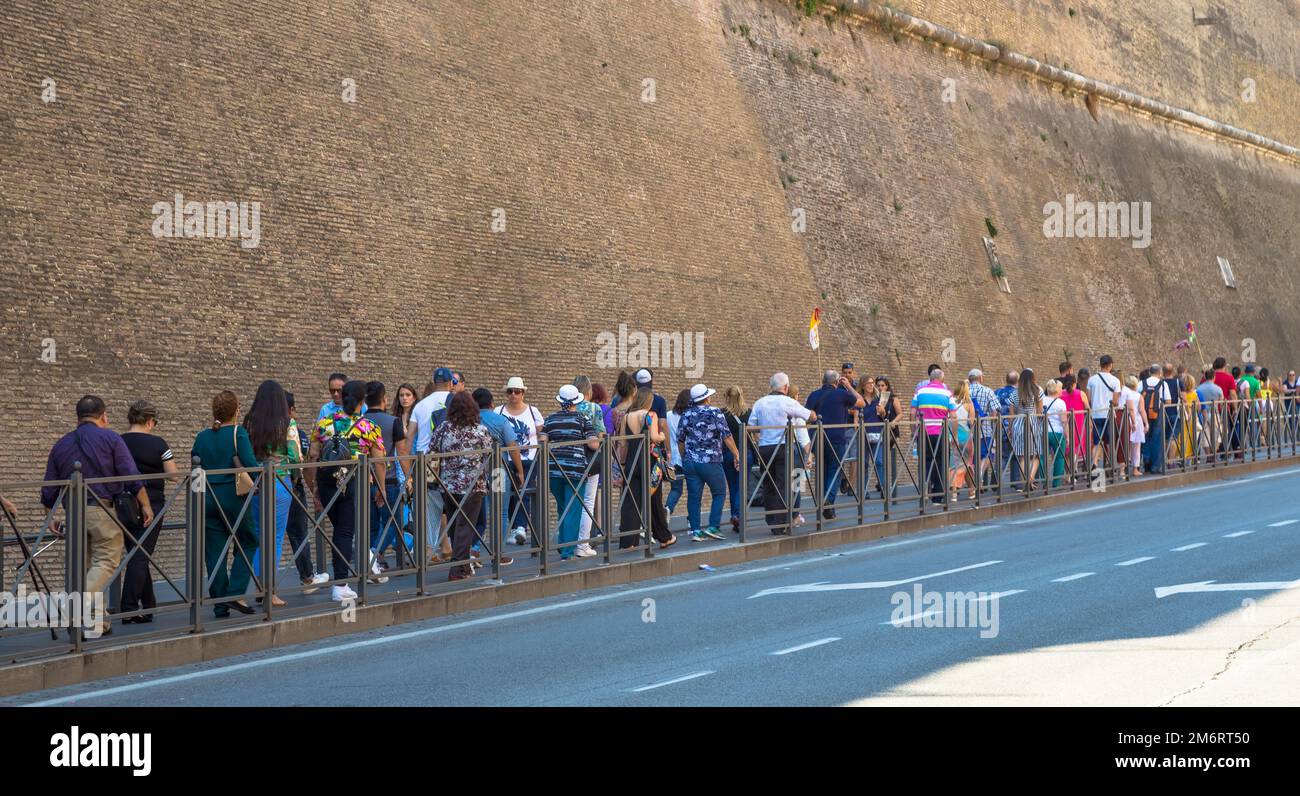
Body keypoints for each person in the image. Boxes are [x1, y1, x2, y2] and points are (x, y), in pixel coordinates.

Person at [305, 381, 386, 601]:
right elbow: (379, 462)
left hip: (326, 481)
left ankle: (341, 582)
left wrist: (313, 488)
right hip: (353, 482)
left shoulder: (323, 423)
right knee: (344, 532)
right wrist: (382, 489)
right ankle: (340, 586)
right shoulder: (368, 427)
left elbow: (312, 456)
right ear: (362, 401)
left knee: (339, 530)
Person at [191, 391, 258, 617]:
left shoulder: (202, 436)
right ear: (237, 410)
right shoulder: (238, 433)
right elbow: (250, 464)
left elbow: (195, 468)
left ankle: (220, 604)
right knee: (249, 541)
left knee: (215, 551)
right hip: (233, 497)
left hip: (207, 498)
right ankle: (235, 594)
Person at [118, 401, 177, 625]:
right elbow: (172, 475)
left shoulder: (119, 441)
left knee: (136, 552)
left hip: (123, 504)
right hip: (152, 503)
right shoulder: (158, 443)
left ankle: (149, 604)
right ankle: (129, 608)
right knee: (140, 555)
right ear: (151, 421)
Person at [245, 380, 301, 606]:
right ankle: (270, 591)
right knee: (275, 537)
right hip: (280, 480)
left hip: (256, 481)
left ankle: (259, 586)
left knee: (258, 535)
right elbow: (296, 456)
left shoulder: (250, 421)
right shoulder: (287, 422)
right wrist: (295, 478)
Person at [428, 392, 493, 580]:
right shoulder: (480, 430)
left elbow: (432, 450)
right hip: (473, 485)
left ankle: (463, 566)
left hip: (447, 484)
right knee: (466, 525)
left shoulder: (443, 429)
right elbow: (489, 456)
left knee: (455, 524)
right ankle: (457, 569)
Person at [747, 373, 816, 534]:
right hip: (783, 448)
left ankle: (771, 519)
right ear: (785, 387)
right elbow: (810, 416)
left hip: (765, 448)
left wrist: (760, 440)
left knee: (769, 484)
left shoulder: (759, 403)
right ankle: (780, 523)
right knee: (784, 485)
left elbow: (752, 426)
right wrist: (813, 415)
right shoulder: (788, 401)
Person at [541, 385, 602, 561]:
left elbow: (543, 440)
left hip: (554, 470)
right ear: (577, 401)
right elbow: (593, 445)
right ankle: (567, 552)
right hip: (575, 470)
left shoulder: (550, 419)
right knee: (573, 510)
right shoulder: (582, 419)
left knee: (562, 507)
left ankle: (562, 544)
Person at [676, 383, 740, 541]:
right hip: (711, 460)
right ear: (706, 398)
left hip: (690, 461)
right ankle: (713, 526)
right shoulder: (715, 412)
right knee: (719, 493)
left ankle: (696, 531)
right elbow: (727, 436)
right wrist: (737, 454)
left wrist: (684, 456)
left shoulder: (686, 414)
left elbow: (680, 439)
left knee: (694, 496)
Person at [617, 386, 675, 549]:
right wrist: (663, 436)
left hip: (631, 463)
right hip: (649, 463)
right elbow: (654, 437)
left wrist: (622, 465)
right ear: (648, 401)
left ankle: (628, 542)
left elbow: (622, 443)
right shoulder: (650, 415)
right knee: (654, 501)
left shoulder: (626, 417)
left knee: (631, 502)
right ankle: (664, 537)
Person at [805, 370, 865, 520]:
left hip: (817, 438)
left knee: (823, 471)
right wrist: (849, 386)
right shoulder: (841, 394)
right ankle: (828, 500)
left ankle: (828, 509)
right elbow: (861, 402)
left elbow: (807, 415)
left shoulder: (813, 395)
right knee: (836, 470)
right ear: (837, 382)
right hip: (836, 438)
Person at [284, 392, 329, 592]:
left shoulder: (256, 428)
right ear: (291, 410)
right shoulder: (294, 431)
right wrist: (313, 492)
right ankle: (308, 578)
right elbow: (299, 463)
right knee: (298, 532)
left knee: (265, 537)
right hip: (291, 485)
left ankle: (264, 586)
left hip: (261, 488)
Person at [363, 381, 407, 579]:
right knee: (394, 521)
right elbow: (402, 452)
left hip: (365, 481)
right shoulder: (393, 422)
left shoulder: (360, 421)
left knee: (372, 525)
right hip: (387, 480)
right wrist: (410, 477)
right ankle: (374, 552)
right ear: (384, 399)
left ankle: (372, 563)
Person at [471, 388, 519, 566]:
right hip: (498, 471)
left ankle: (473, 550)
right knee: (500, 512)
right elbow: (512, 446)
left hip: (477, 473)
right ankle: (499, 553)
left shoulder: (470, 421)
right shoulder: (500, 420)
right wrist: (519, 471)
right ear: (491, 404)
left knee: (476, 513)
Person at [496, 377, 545, 547]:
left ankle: (521, 527)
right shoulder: (499, 410)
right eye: (510, 391)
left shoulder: (533, 411)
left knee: (524, 492)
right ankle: (511, 528)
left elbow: (541, 433)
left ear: (523, 393)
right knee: (504, 495)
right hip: (504, 461)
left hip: (528, 459)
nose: (513, 395)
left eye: (517, 391)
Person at [912, 368, 957, 504]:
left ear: (930, 379)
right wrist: (953, 436)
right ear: (942, 379)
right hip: (940, 433)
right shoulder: (948, 394)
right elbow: (953, 417)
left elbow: (912, 413)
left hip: (924, 432)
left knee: (924, 462)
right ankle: (938, 496)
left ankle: (924, 493)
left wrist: (914, 432)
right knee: (941, 462)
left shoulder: (919, 392)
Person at [572, 375, 605, 556]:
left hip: (570, 460)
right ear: (588, 390)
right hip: (590, 458)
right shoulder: (594, 408)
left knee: (573, 500)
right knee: (588, 501)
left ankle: (569, 542)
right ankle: (582, 545)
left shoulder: (569, 406)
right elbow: (601, 433)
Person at [720, 386, 749, 531]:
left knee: (732, 486)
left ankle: (734, 514)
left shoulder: (721, 414)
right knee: (741, 486)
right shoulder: (747, 412)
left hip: (727, 453)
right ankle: (738, 515)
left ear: (727, 397)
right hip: (745, 453)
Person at [1011, 368, 1045, 490]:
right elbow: (1040, 411)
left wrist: (1010, 428)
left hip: (1018, 423)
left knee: (1022, 456)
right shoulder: (1038, 391)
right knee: (1036, 455)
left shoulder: (1015, 392)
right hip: (1033, 422)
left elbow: (1011, 413)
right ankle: (1030, 478)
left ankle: (1026, 482)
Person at [967, 369, 1000, 491]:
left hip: (966, 430)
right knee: (987, 455)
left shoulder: (964, 391)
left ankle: (973, 483)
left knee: (970, 457)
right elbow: (996, 410)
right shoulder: (987, 391)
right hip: (984, 429)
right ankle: (978, 478)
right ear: (980, 378)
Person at [1087, 356, 1122, 471]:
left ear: (1100, 364)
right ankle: (1110, 464)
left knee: (1098, 441)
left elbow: (1088, 398)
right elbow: (1116, 401)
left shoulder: (1092, 380)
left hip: (1096, 414)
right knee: (1110, 442)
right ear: (1111, 365)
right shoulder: (1115, 381)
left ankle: (1095, 462)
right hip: (1108, 415)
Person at [949, 379, 975, 498]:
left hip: (952, 435)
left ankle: (954, 493)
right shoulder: (969, 403)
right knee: (968, 464)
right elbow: (971, 421)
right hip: (965, 436)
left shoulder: (950, 401)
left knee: (954, 464)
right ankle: (971, 491)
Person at [995, 370, 1020, 486]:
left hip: (999, 426)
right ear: (1017, 381)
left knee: (1002, 455)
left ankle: (996, 479)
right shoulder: (1018, 393)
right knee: (1015, 455)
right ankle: (1016, 481)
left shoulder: (997, 392)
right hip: (1014, 426)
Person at [1042, 380, 1068, 488]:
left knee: (1042, 456)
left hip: (1043, 431)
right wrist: (1067, 436)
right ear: (1057, 390)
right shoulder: (1061, 403)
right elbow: (1063, 420)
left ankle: (1043, 482)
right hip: (1057, 432)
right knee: (1059, 457)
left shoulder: (1042, 400)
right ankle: (1056, 483)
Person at [1121, 375, 1147, 477]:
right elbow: (1141, 410)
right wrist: (1146, 423)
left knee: (1124, 444)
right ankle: (1135, 469)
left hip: (1124, 419)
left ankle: (1123, 467)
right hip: (1136, 421)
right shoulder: (1138, 396)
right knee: (1136, 446)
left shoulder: (1122, 394)